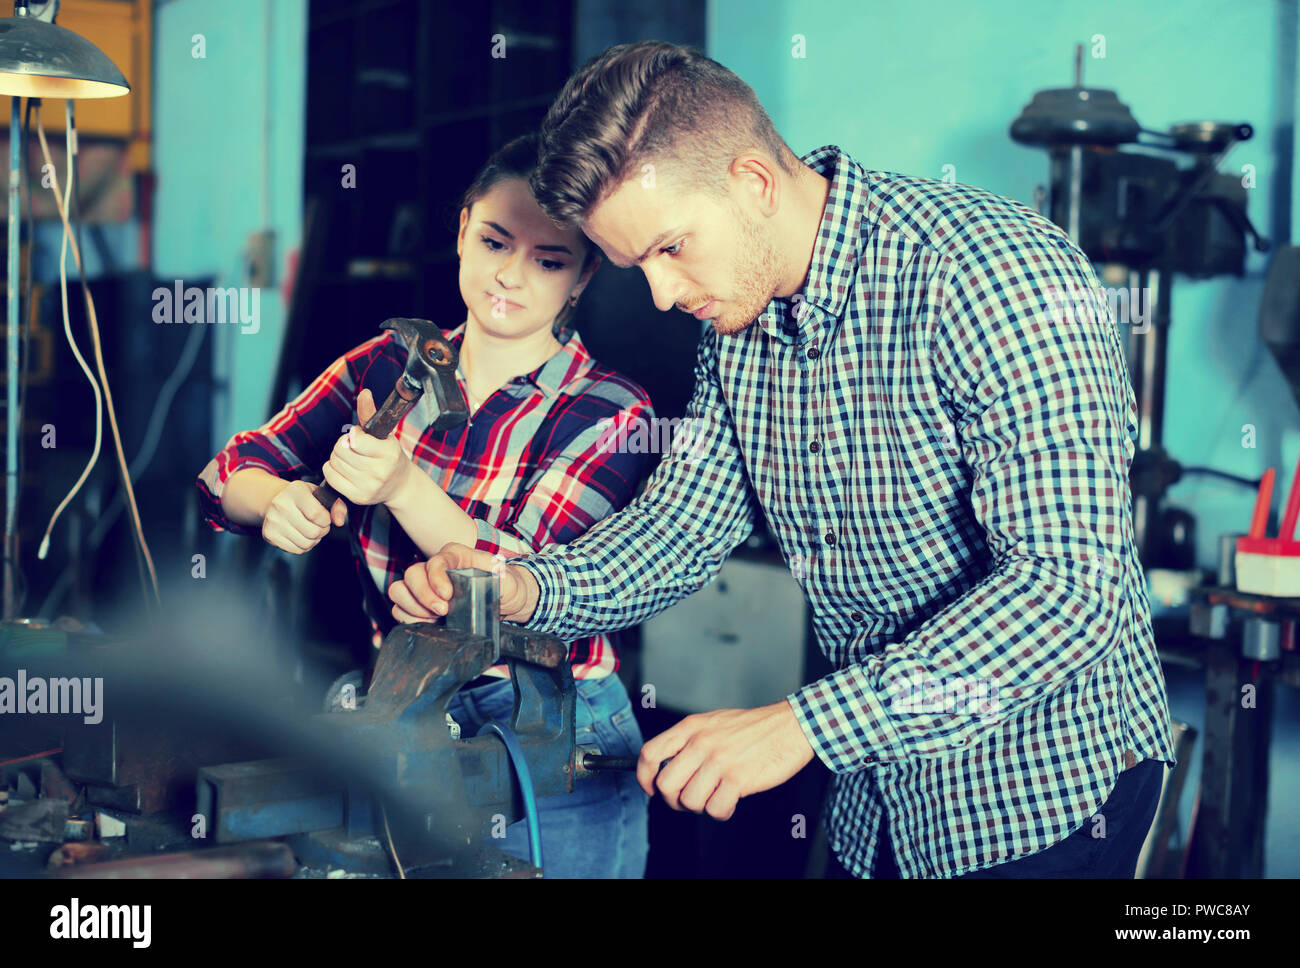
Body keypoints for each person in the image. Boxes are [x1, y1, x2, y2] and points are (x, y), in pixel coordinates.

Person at [387, 42, 1177, 879]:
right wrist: (524, 588)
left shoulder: (991, 277)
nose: (662, 295)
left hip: (1044, 800)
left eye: (670, 249)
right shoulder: (739, 322)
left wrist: (802, 727)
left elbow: (1065, 589)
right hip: (877, 803)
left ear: (753, 183)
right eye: (635, 265)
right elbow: (680, 530)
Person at [195, 133, 655, 878]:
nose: (510, 275)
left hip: (553, 724)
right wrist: (278, 501)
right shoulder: (388, 362)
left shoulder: (614, 412)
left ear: (584, 275)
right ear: (463, 225)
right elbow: (229, 472)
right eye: (494, 240)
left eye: (549, 260)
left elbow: (533, 583)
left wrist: (404, 486)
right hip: (399, 709)